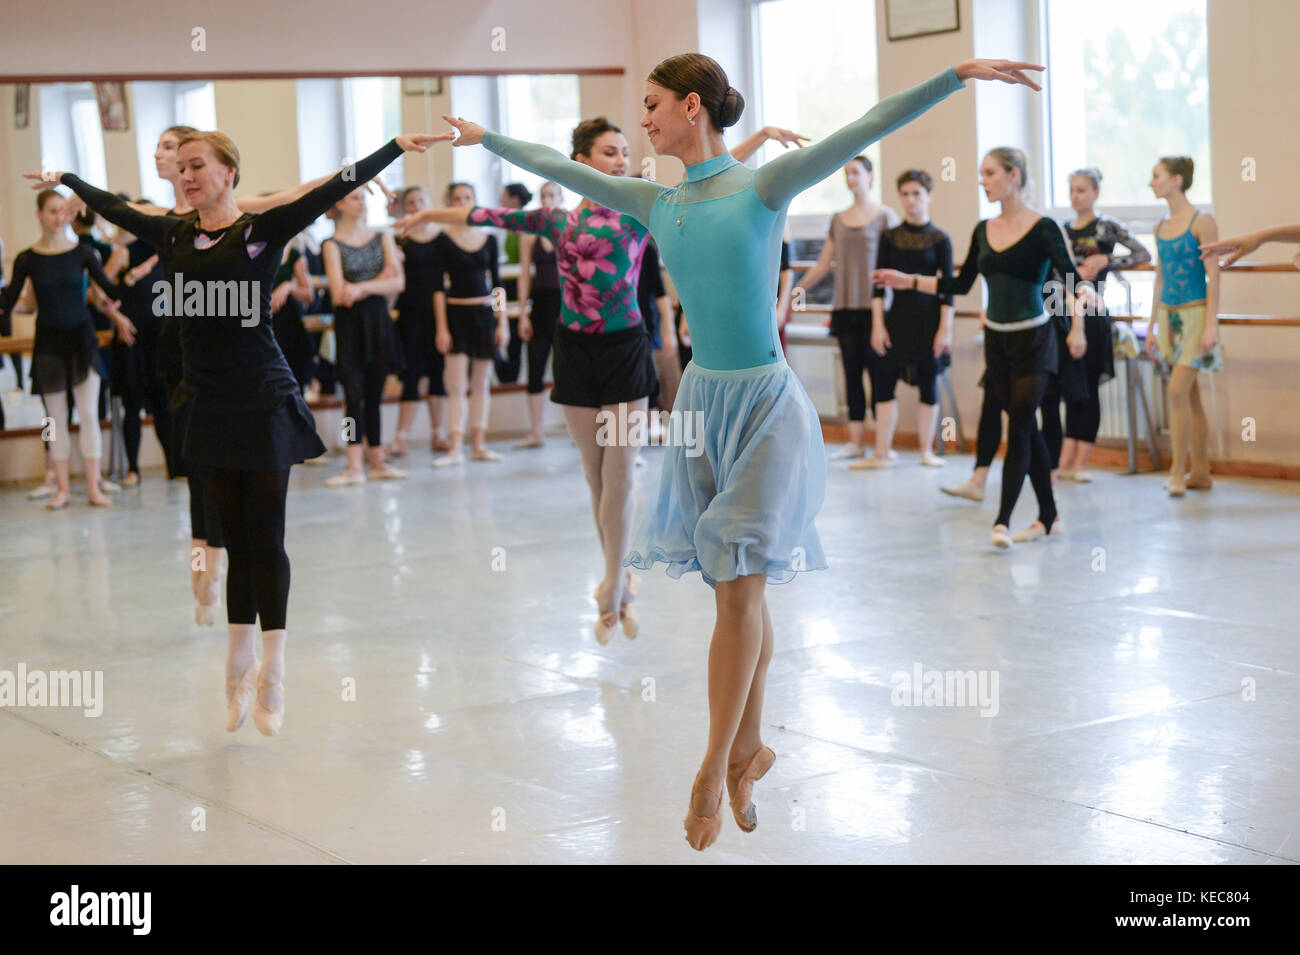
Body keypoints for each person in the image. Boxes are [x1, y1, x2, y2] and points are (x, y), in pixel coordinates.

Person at [438, 55, 1043, 849]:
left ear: (693, 106)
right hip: (701, 403)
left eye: (652, 106)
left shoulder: (763, 185)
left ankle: (713, 765)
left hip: (764, 405)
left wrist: (955, 74)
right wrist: (486, 137)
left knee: (737, 584)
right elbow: (560, 167)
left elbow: (867, 125)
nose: (642, 121)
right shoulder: (657, 202)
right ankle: (751, 747)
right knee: (741, 591)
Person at [38, 128, 446, 735]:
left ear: (230, 172)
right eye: (180, 169)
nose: (186, 176)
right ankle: (238, 659)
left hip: (263, 400)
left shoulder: (262, 231)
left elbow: (339, 184)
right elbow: (117, 209)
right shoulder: (174, 234)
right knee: (228, 538)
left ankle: (274, 669)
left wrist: (395, 146)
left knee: (265, 538)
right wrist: (68, 181)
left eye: (197, 166)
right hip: (206, 404)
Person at [875, 146, 1091, 547]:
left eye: (989, 173)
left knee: (1022, 426)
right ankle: (1049, 516)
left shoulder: (1044, 227)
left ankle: (1002, 521)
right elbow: (960, 284)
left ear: (1013, 176)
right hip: (997, 341)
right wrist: (910, 281)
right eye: (980, 173)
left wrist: (1084, 309)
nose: (982, 180)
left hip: (1036, 339)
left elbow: (1071, 278)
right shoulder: (982, 229)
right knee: (1027, 429)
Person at [0, 190, 131, 509]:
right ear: (40, 215)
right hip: (48, 342)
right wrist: (14, 308)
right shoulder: (27, 258)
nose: (59, 217)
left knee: (88, 414)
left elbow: (107, 290)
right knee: (54, 419)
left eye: (63, 211)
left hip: (82, 338)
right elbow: (13, 301)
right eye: (52, 211)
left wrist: (123, 271)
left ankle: (93, 486)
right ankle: (61, 489)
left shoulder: (84, 252)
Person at [790, 156, 899, 461]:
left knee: (879, 376)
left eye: (856, 172)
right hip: (846, 308)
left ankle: (883, 445)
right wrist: (795, 292)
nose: (851, 178)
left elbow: (896, 263)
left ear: (870, 176)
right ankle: (855, 441)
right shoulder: (838, 219)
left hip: (878, 310)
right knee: (851, 374)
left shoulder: (885, 216)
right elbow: (824, 263)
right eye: (847, 173)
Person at [1057, 167, 1150, 481]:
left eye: (1081, 190)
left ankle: (1081, 460)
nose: (1075, 196)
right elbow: (1053, 271)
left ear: (1095, 193)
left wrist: (1107, 260)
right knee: (1071, 388)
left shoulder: (1107, 226)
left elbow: (1142, 252)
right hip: (1065, 312)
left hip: (1094, 311)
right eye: (1071, 190)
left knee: (1089, 387)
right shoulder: (1060, 230)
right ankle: (1065, 459)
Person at [864, 168, 954, 468]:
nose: (911, 199)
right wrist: (877, 325)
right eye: (905, 194)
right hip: (897, 318)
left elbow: (948, 290)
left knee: (929, 384)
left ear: (929, 195)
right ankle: (881, 452)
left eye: (917, 193)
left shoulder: (941, 239)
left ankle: (926, 451)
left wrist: (945, 330)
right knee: (884, 382)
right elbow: (877, 287)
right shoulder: (889, 237)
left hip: (929, 320)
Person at [322, 186, 407, 486]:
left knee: (375, 395)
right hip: (349, 326)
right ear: (341, 204)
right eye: (356, 198)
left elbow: (398, 282)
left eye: (363, 197)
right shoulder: (331, 244)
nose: (362, 203)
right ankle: (353, 463)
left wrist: (360, 287)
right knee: (352, 396)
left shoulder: (382, 236)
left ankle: (378, 460)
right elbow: (337, 293)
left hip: (378, 323)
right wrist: (377, 281)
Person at [1146, 156, 1221, 496]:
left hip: (1194, 314)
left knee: (1176, 391)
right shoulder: (1160, 227)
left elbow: (1214, 275)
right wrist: (1150, 327)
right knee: (1189, 397)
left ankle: (1177, 471)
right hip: (1169, 316)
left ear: (1176, 180)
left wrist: (1211, 324)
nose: (1152, 182)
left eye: (1157, 176)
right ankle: (1201, 471)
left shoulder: (1202, 221)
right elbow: (1160, 279)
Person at [429, 182, 509, 467]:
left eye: (467, 197)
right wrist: (441, 327)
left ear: (475, 201)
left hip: (484, 316)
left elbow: (497, 285)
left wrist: (503, 324)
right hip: (456, 316)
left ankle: (478, 443)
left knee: (480, 384)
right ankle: (454, 447)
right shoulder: (443, 240)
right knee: (456, 384)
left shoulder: (489, 240)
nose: (462, 202)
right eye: (457, 198)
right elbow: (438, 288)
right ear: (449, 203)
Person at [390, 185, 450, 457]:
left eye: (420, 201)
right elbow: (392, 279)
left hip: (438, 313)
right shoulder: (398, 239)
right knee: (411, 373)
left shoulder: (442, 238)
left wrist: (443, 326)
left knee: (437, 373)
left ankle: (439, 433)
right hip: (409, 314)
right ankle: (401, 437)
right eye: (411, 202)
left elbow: (446, 282)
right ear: (405, 207)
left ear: (429, 202)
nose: (416, 206)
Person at [511, 180, 565, 448]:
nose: (547, 200)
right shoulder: (529, 233)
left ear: (561, 199)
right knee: (535, 365)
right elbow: (523, 276)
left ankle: (575, 429)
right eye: (543, 195)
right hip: (540, 305)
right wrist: (522, 314)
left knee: (568, 369)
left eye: (552, 195)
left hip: (567, 305)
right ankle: (536, 431)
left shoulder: (569, 229)